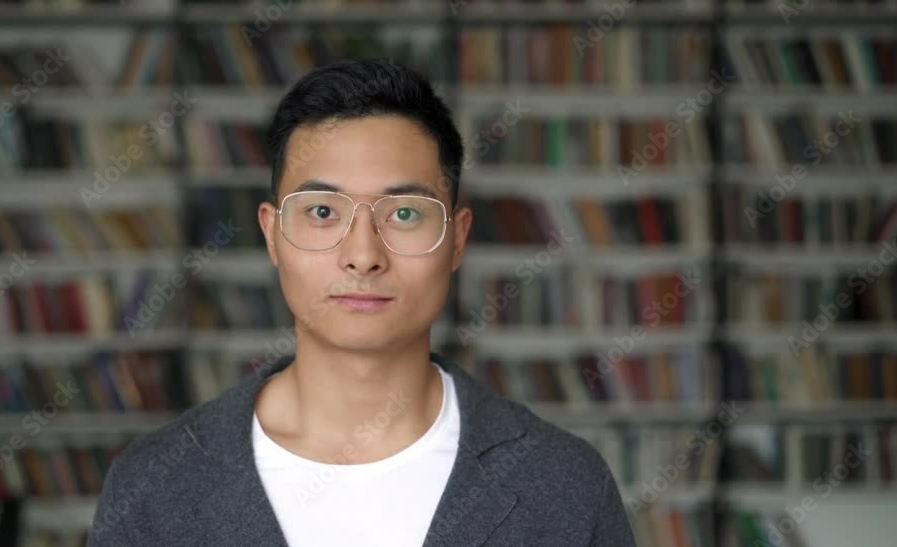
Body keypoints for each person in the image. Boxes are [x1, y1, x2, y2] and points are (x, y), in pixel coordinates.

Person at [87, 59, 636, 547]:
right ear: (273, 235)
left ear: (457, 240)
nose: (363, 255)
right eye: (323, 212)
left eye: (403, 214)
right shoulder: (153, 486)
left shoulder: (562, 484)